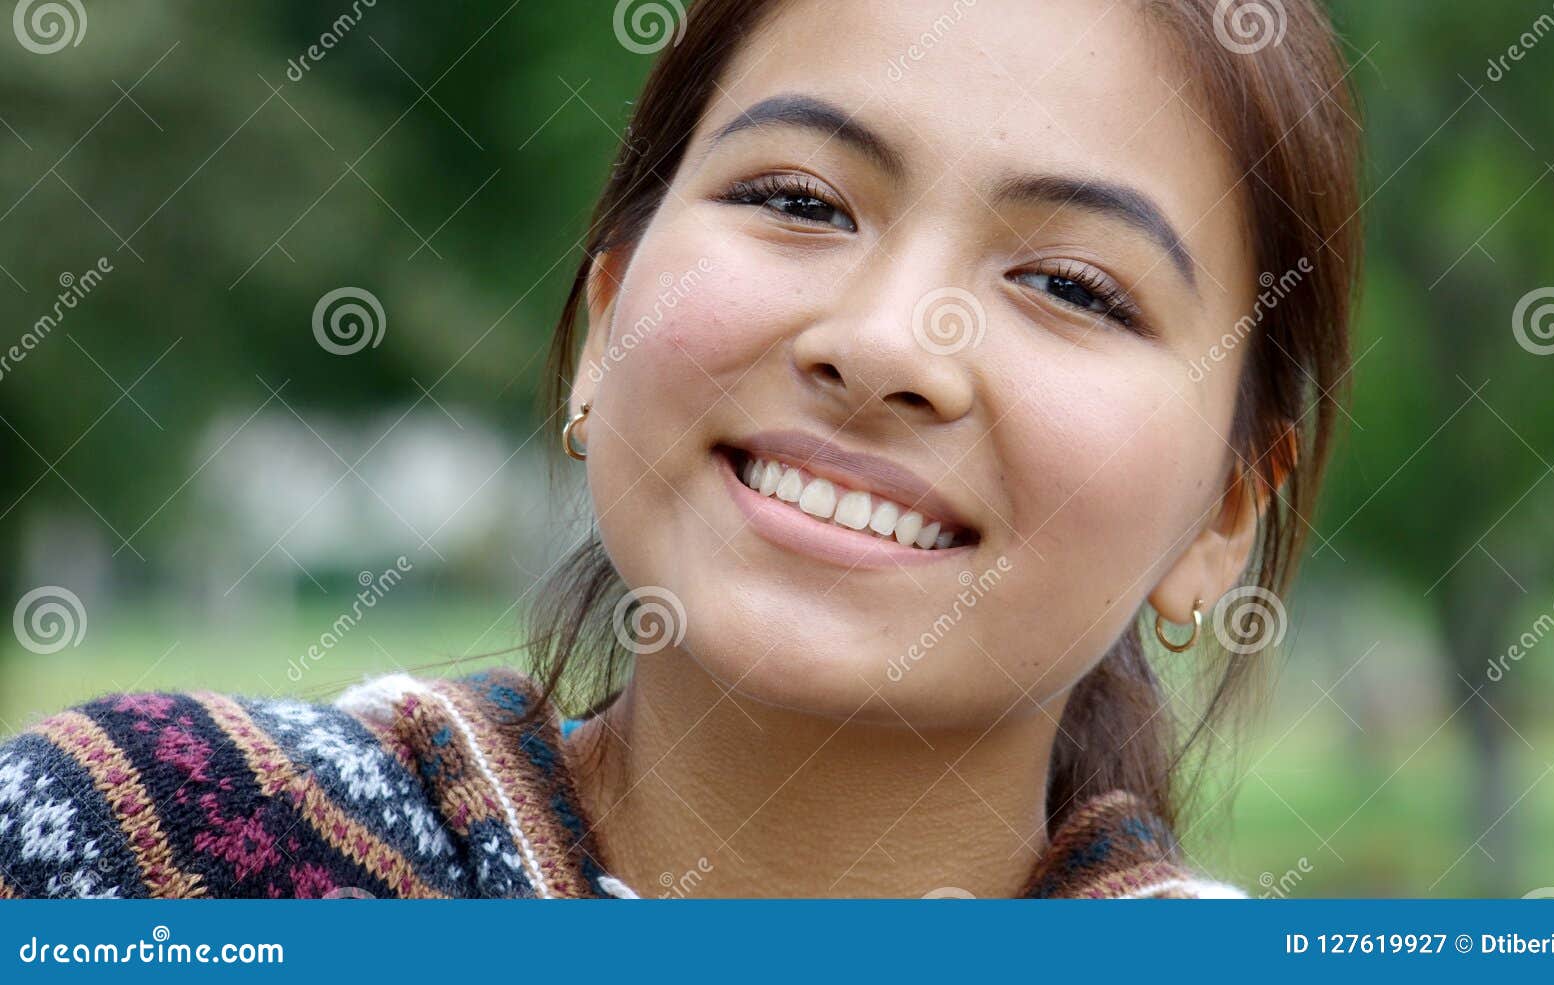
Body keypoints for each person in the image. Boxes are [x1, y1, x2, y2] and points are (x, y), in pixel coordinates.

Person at [0, 0, 1361, 899]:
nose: (887, 343)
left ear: (1224, 518)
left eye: (1072, 284)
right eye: (797, 199)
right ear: (606, 321)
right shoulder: (137, 857)